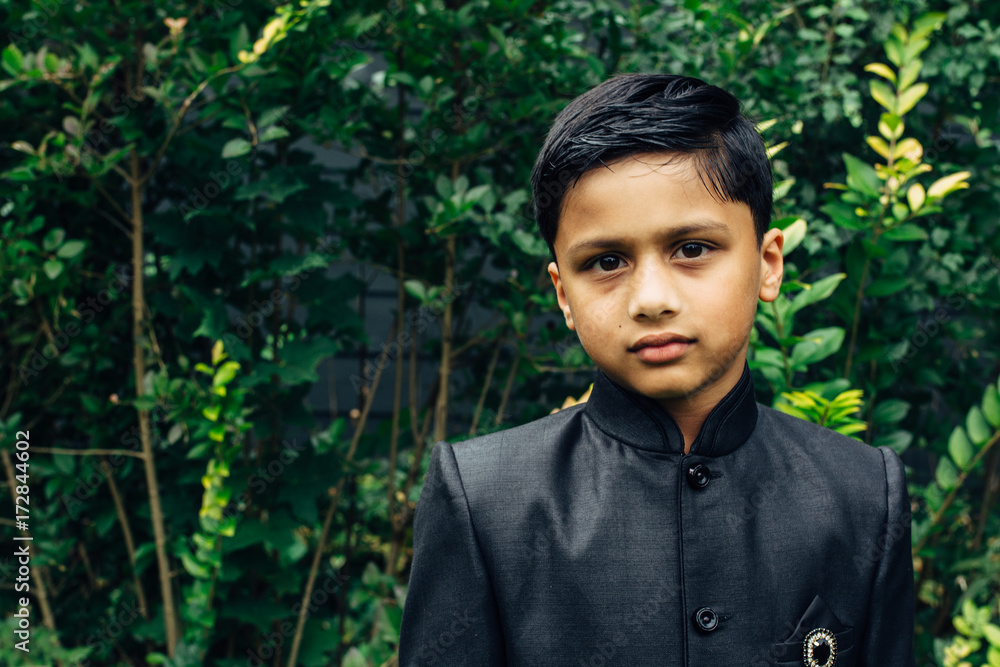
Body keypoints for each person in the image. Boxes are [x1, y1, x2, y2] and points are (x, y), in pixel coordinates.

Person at [397, 72, 915, 667]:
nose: (650, 298)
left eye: (692, 248)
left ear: (768, 263)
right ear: (563, 294)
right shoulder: (485, 499)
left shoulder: (862, 493)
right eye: (607, 261)